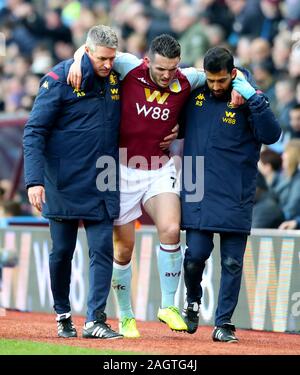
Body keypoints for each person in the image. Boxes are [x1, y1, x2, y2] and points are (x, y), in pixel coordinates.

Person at [68, 33, 245, 338]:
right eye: (161, 69)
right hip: (118, 167)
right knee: (123, 249)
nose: (167, 75)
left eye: (172, 69)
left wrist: (242, 82)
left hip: (158, 167)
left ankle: (167, 306)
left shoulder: (188, 78)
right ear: (148, 61)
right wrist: (76, 59)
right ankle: (125, 316)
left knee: (171, 229)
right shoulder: (128, 66)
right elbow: (91, 50)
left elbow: (227, 71)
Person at [23, 25, 123, 339]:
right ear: (87, 50)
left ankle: (95, 319)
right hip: (64, 178)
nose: (108, 65)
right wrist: (34, 181)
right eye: (102, 59)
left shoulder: (118, 74)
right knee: (62, 252)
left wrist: (82, 56)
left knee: (103, 249)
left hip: (104, 177)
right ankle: (63, 313)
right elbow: (34, 131)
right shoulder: (59, 80)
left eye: (112, 59)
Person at [179, 46, 281, 342]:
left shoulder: (249, 98)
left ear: (233, 74)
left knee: (232, 263)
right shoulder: (196, 94)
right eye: (210, 80)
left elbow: (272, 135)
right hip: (198, 188)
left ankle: (223, 323)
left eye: (221, 81)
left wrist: (253, 97)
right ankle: (193, 300)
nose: (215, 87)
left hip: (235, 191)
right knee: (194, 257)